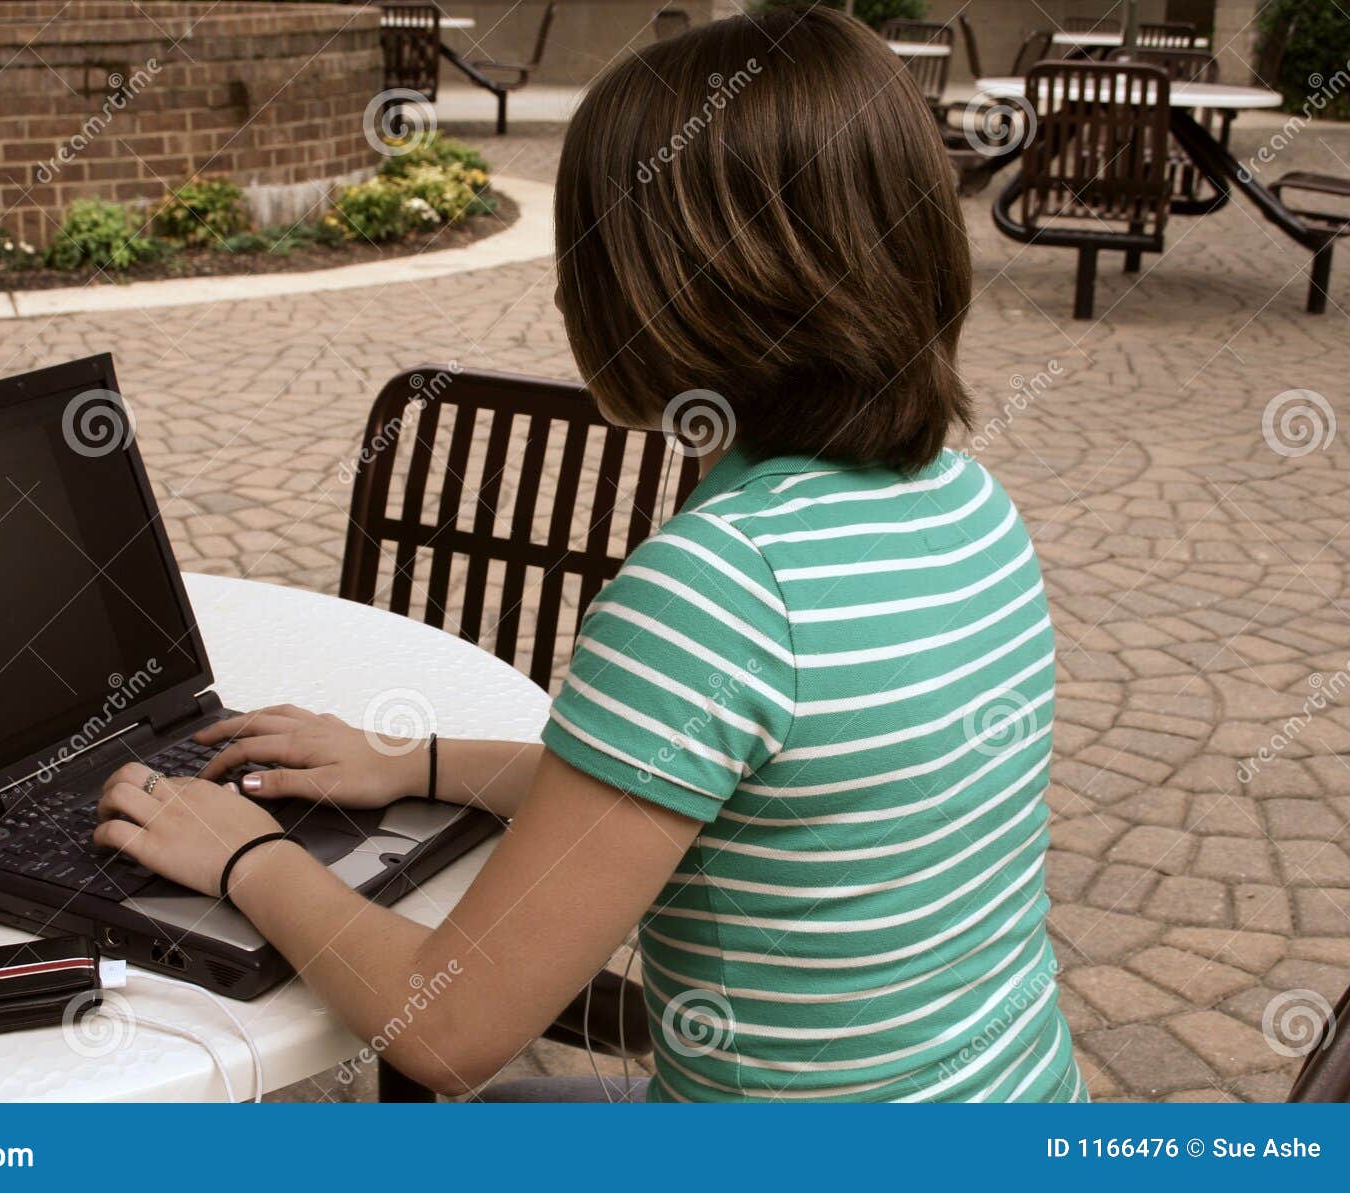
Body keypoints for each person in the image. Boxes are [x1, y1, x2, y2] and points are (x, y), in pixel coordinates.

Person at [95, 7, 1085, 1102]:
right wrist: (413, 760)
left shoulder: (722, 588)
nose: (567, 291)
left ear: (677, 290)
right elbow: (711, 789)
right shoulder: (962, 499)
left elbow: (452, 1026)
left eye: (590, 250)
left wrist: (243, 854)